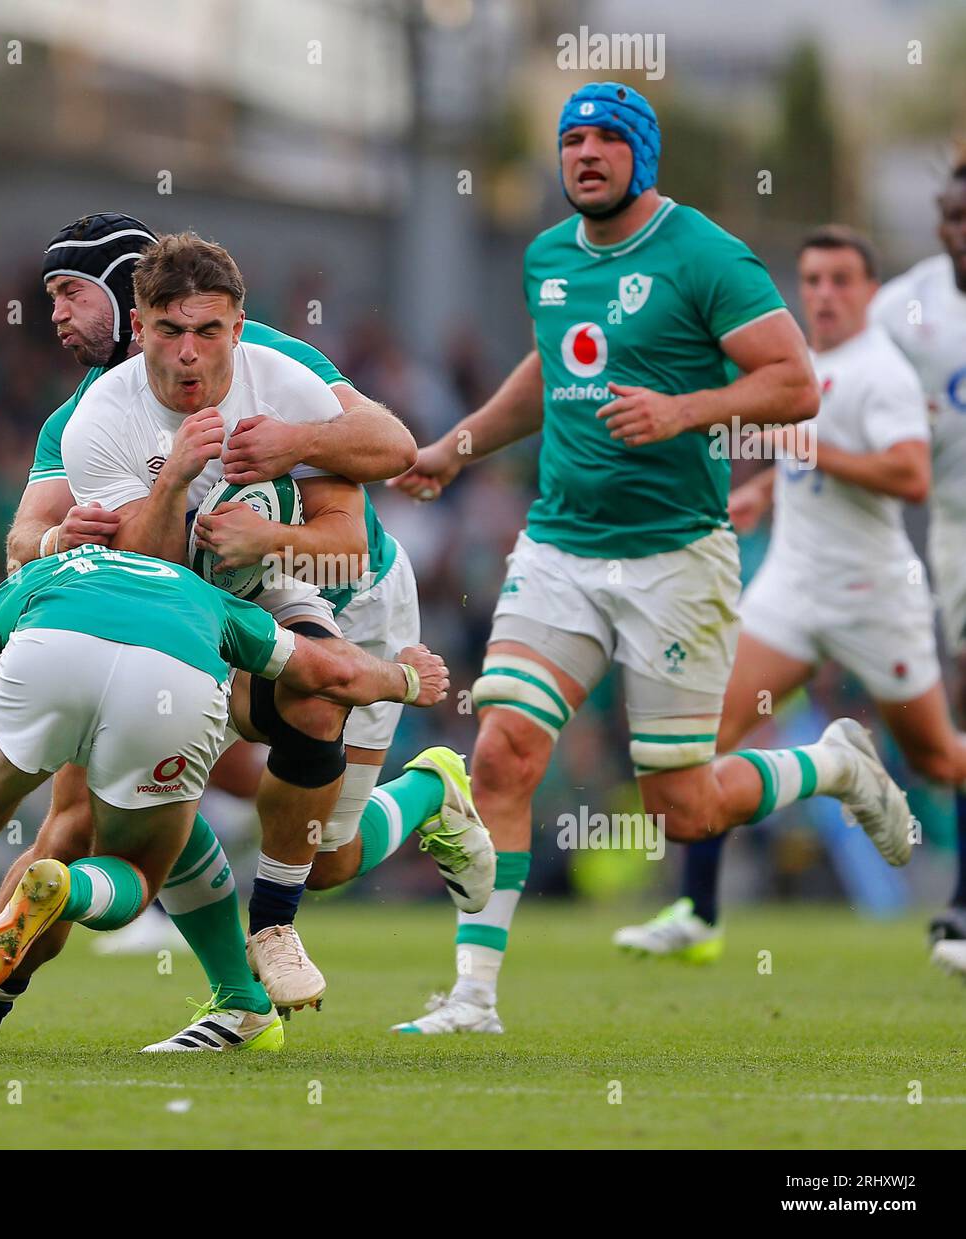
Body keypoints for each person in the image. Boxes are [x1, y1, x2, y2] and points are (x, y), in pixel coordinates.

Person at [387, 82, 911, 1035]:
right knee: (503, 751)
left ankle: (834, 766)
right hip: (560, 547)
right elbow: (551, 369)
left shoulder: (703, 253)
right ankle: (472, 997)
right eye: (571, 139)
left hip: (677, 560)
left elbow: (792, 383)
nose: (584, 153)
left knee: (685, 808)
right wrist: (455, 445)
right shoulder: (547, 256)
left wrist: (683, 411)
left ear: (641, 156)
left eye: (604, 140)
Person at [0, 219, 491, 1055]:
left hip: (341, 597)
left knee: (326, 854)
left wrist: (291, 447)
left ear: (119, 293)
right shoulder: (87, 414)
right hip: (186, 613)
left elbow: (383, 456)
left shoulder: (261, 359)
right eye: (50, 298)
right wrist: (55, 544)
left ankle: (428, 794)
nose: (56, 316)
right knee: (84, 813)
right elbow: (24, 539)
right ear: (143, 324)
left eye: (69, 293)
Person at [0, 543, 450, 1061]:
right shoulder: (208, 596)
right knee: (137, 868)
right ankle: (71, 894)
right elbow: (330, 670)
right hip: (172, 677)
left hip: (50, 650)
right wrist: (405, 678)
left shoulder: (31, 578)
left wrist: (19, 766)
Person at [617, 225, 951, 961]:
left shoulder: (880, 372)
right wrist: (768, 488)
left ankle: (957, 906)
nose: (824, 294)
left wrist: (803, 449)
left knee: (937, 758)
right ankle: (700, 914)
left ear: (870, 290)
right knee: (704, 740)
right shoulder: (807, 364)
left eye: (841, 280)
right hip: (793, 588)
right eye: (813, 279)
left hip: (872, 594)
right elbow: (815, 463)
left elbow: (910, 475)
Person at [869, 159, 966, 977]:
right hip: (958, 518)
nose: (954, 231)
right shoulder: (909, 306)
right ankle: (965, 896)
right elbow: (838, 378)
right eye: (948, 214)